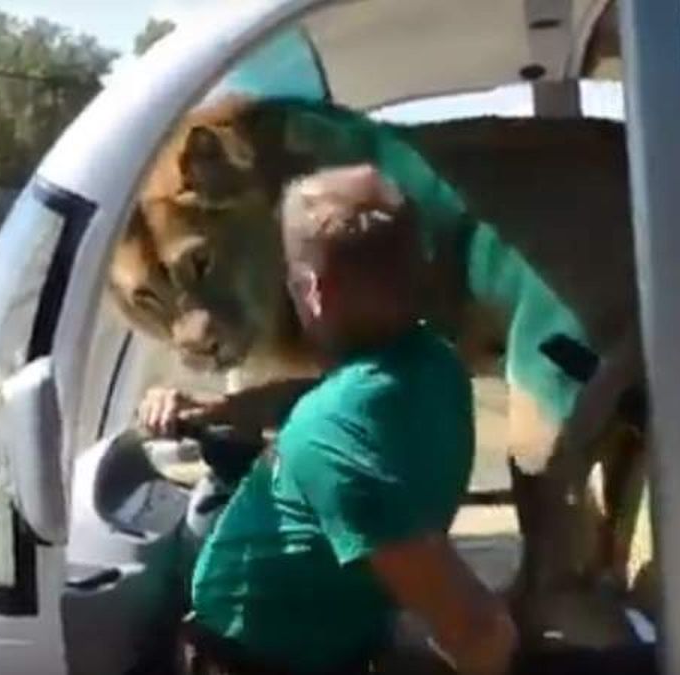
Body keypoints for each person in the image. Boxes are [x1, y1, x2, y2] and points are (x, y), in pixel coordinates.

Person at [159, 164, 517, 675]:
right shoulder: (432, 364)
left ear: (313, 290)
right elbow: (337, 396)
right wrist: (222, 410)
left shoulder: (330, 439)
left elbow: (478, 630)